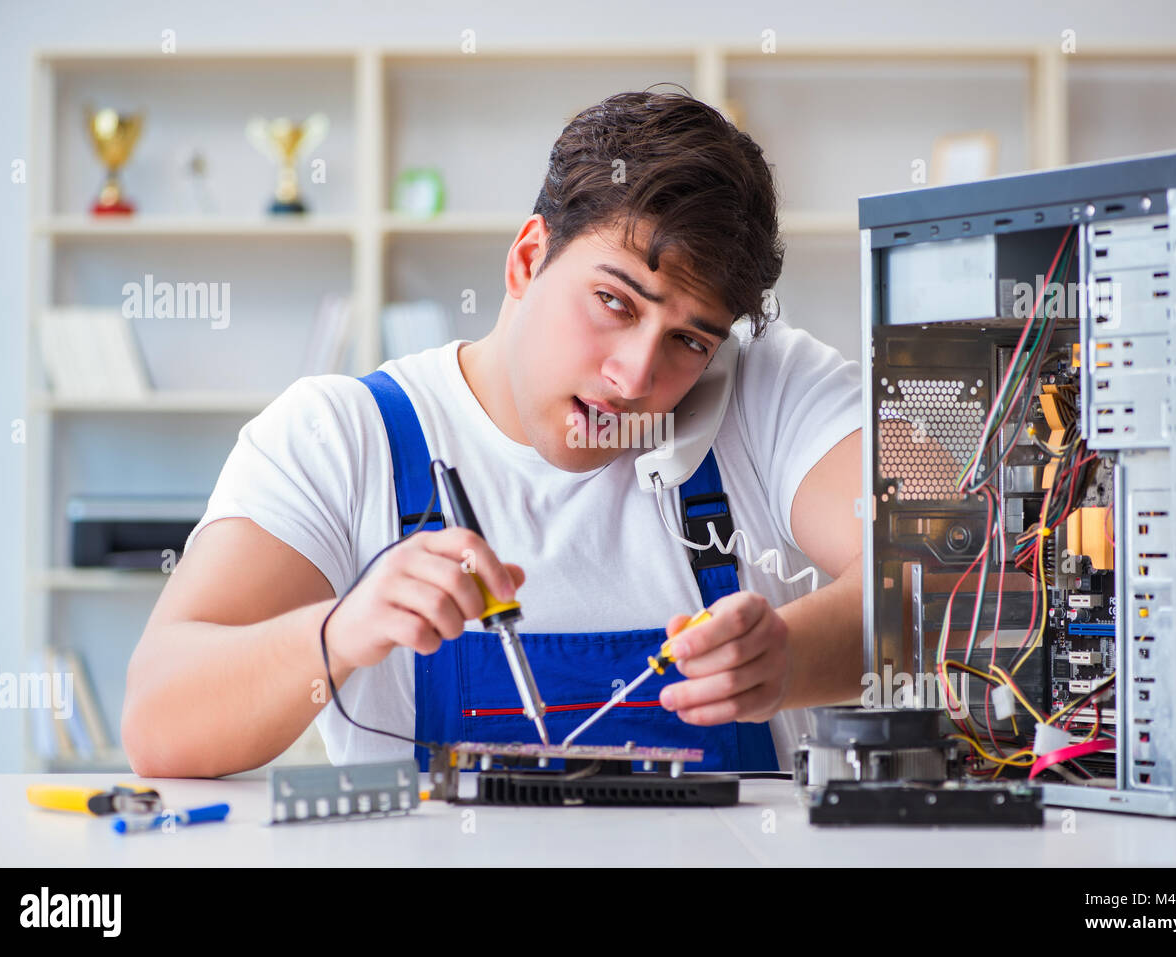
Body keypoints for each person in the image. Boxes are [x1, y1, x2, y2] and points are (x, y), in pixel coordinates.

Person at [122, 89, 863, 778]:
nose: (636, 376)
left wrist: (792, 660)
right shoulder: (340, 437)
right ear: (527, 258)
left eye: (689, 341)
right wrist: (339, 632)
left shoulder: (769, 388)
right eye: (614, 301)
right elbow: (158, 717)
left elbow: (955, 573)